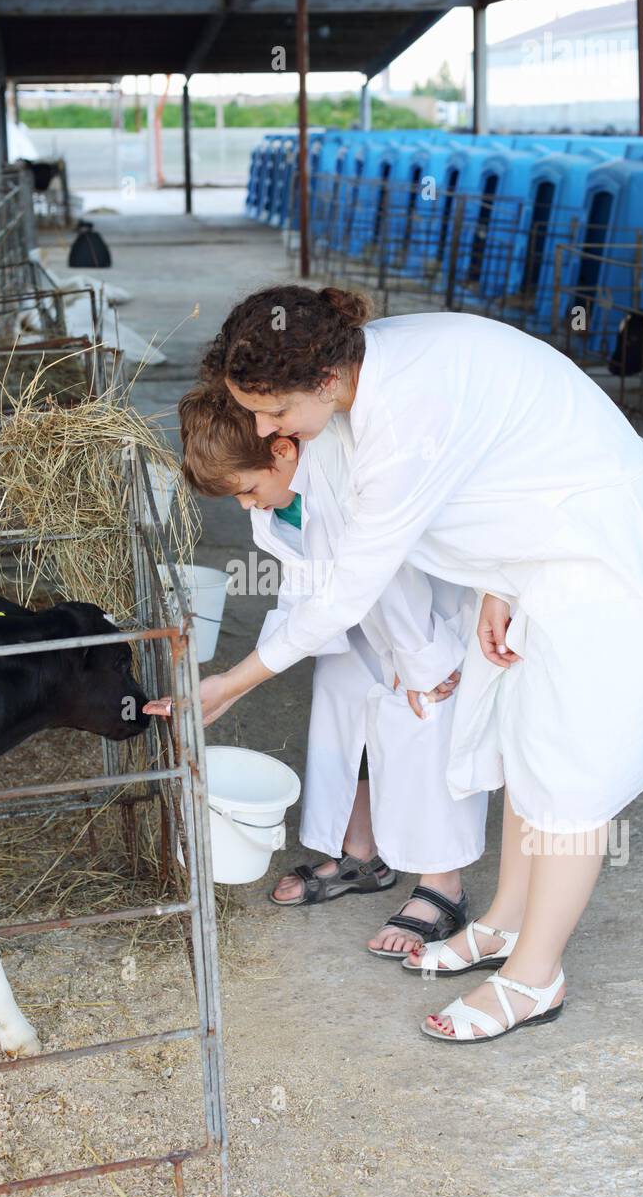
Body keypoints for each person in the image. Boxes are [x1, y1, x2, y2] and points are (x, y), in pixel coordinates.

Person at [147, 286, 643, 1044]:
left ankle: (535, 975)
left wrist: (235, 681)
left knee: (570, 765)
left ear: (321, 380)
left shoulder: (402, 414)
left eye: (272, 413)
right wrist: (498, 580)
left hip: (590, 543)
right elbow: (497, 462)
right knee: (520, 733)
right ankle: (506, 921)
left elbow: (351, 584)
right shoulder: (360, 381)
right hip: (534, 543)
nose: (264, 428)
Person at [177, 384, 487, 957]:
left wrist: (421, 660)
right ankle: (361, 855)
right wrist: (238, 683)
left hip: (423, 610)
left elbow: (394, 581)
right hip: (361, 614)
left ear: (282, 452)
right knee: (341, 696)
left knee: (422, 714)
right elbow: (302, 598)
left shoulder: (344, 477)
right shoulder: (283, 496)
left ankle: (442, 883)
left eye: (246, 490)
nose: (246, 506)